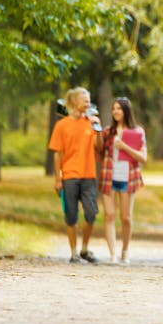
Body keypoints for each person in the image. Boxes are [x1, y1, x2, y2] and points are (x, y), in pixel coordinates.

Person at [48, 87, 103, 264]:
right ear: (73, 102)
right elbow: (57, 153)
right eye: (84, 99)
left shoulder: (91, 122)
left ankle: (85, 249)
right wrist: (58, 179)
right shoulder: (62, 125)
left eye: (89, 99)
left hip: (88, 176)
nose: (88, 102)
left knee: (91, 213)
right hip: (69, 176)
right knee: (71, 215)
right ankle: (73, 253)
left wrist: (98, 129)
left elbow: (99, 147)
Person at [97, 97, 147, 265]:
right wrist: (96, 131)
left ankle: (125, 251)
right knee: (109, 215)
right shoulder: (107, 131)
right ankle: (112, 254)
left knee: (126, 217)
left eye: (119, 108)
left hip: (128, 177)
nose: (116, 111)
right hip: (109, 176)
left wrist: (124, 147)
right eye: (114, 109)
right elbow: (98, 151)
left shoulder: (138, 131)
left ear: (126, 111)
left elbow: (143, 158)